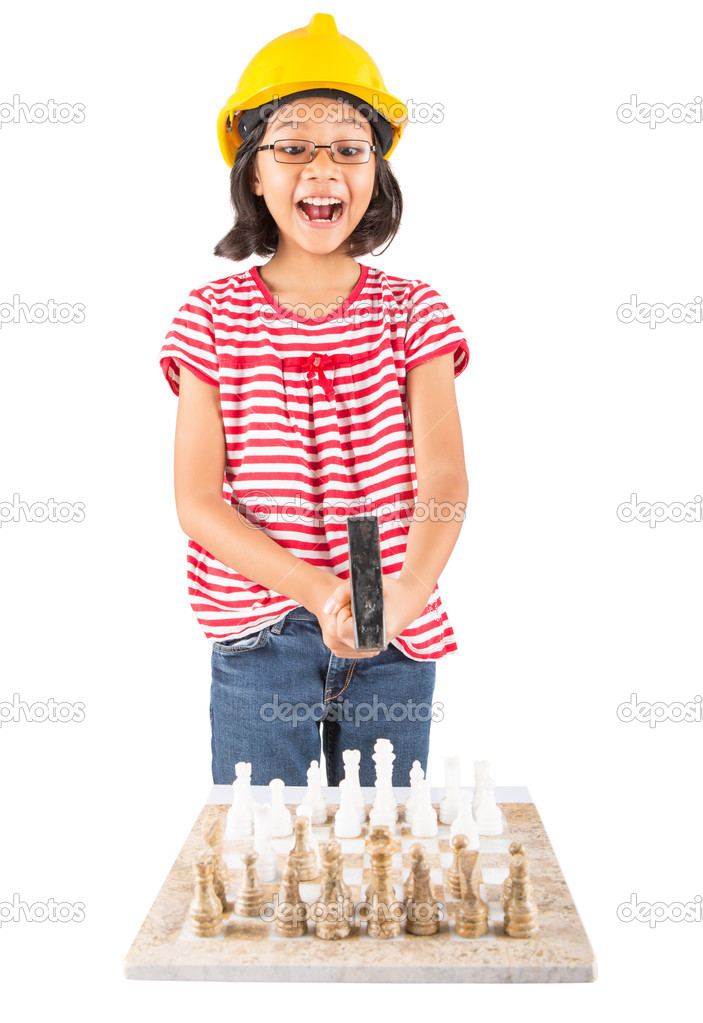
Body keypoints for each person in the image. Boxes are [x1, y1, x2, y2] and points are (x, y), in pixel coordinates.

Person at [158, 13, 470, 788]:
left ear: (376, 173)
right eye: (292, 147)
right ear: (253, 173)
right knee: (265, 866)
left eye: (348, 149)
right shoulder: (209, 317)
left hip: (393, 632)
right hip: (259, 636)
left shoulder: (412, 312)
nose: (321, 168)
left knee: (383, 866)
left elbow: (444, 482)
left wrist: (401, 592)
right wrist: (322, 590)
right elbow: (197, 500)